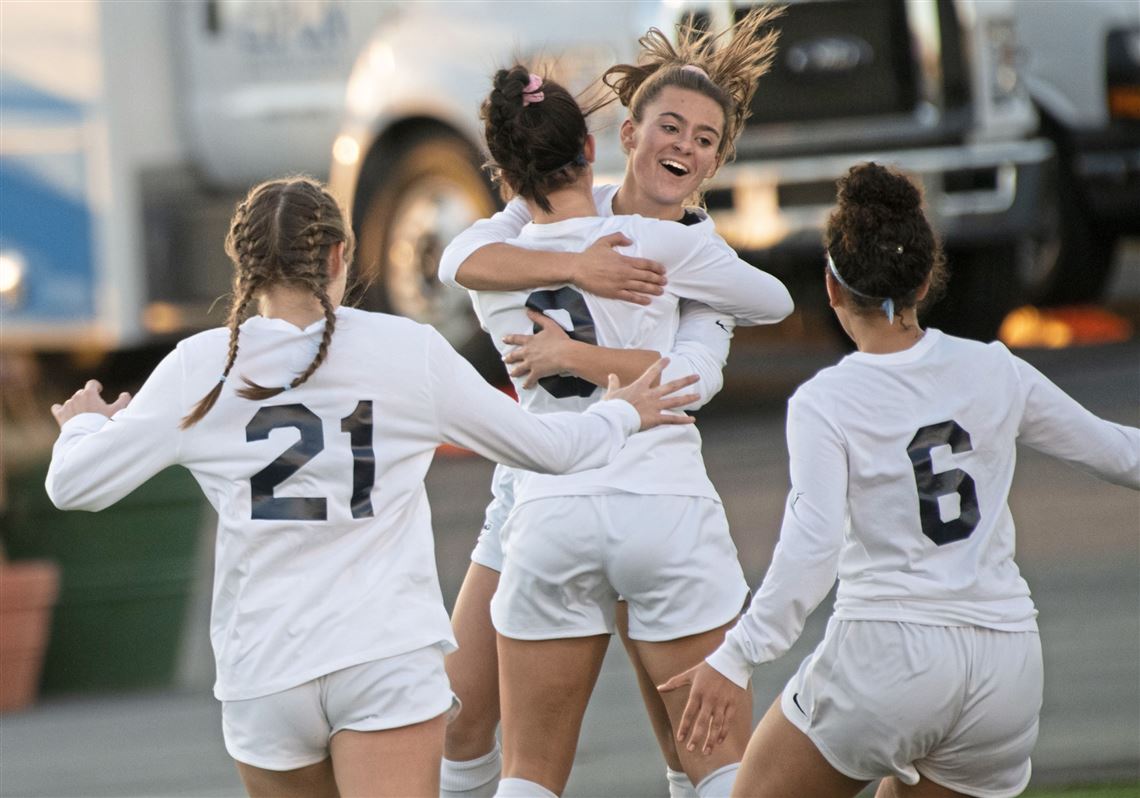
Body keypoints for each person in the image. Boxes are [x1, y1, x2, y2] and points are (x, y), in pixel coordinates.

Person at [43, 177, 704, 798]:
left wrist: (82, 427)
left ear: (243, 264)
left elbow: (72, 487)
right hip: (383, 655)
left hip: (266, 670)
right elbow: (553, 450)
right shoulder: (406, 350)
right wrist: (626, 410)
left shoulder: (198, 365)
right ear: (339, 256)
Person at [661, 162, 1140, 798]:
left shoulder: (826, 400)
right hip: (1006, 666)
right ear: (925, 277)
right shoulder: (996, 369)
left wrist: (735, 657)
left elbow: (812, 551)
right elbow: (1118, 452)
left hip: (887, 658)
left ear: (832, 288)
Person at [435, 11, 785, 798]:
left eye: (704, 140)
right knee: (464, 718)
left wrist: (570, 354)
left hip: (561, 505)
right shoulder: (672, 249)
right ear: (617, 137)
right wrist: (587, 274)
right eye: (671, 127)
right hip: (585, 497)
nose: (685, 149)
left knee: (556, 767)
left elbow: (459, 260)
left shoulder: (683, 254)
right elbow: (765, 306)